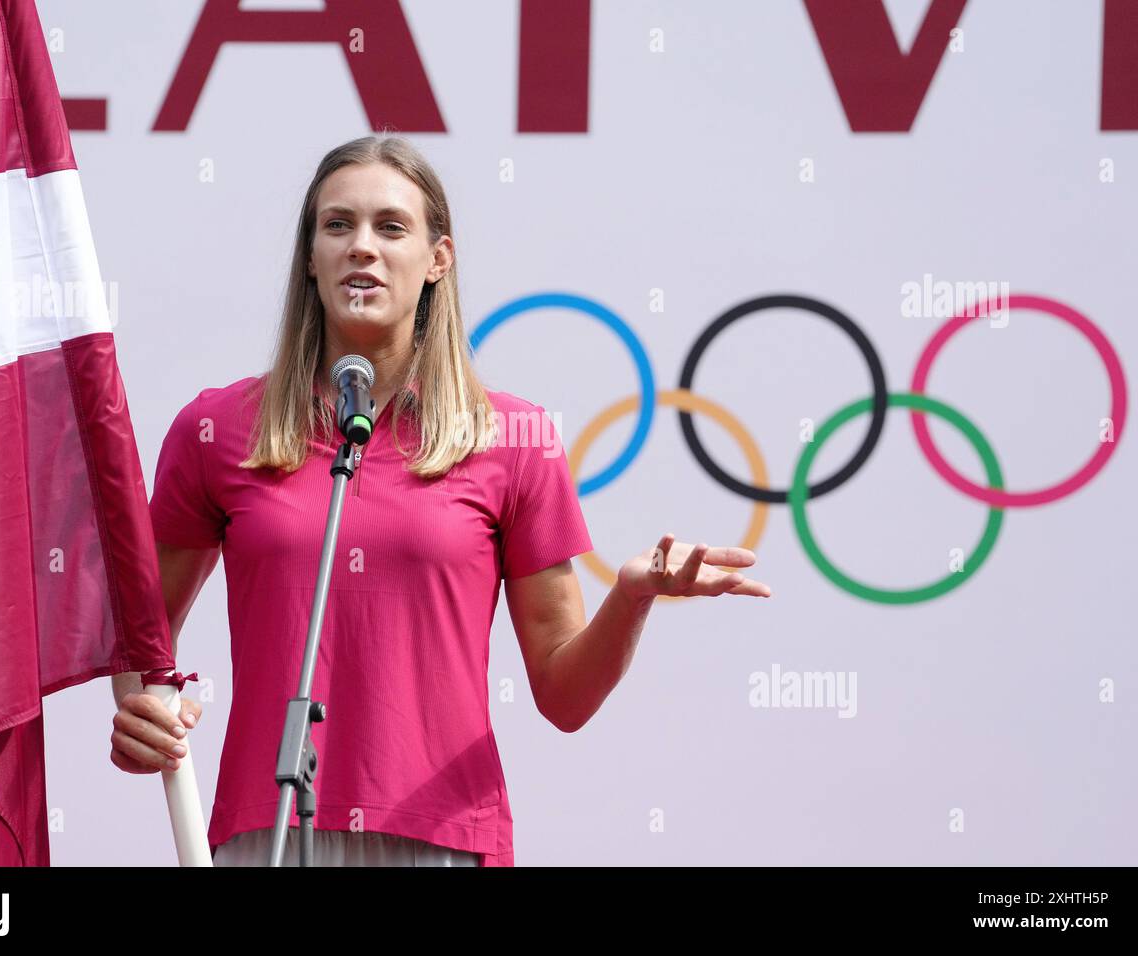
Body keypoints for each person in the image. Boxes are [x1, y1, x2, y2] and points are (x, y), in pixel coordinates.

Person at [109, 135, 772, 867]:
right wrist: (144, 711)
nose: (362, 247)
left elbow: (564, 696)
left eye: (391, 227)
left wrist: (631, 597)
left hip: (445, 840)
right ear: (309, 256)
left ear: (438, 260)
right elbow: (140, 641)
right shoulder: (217, 428)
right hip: (262, 835)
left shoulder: (513, 438)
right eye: (338, 226)